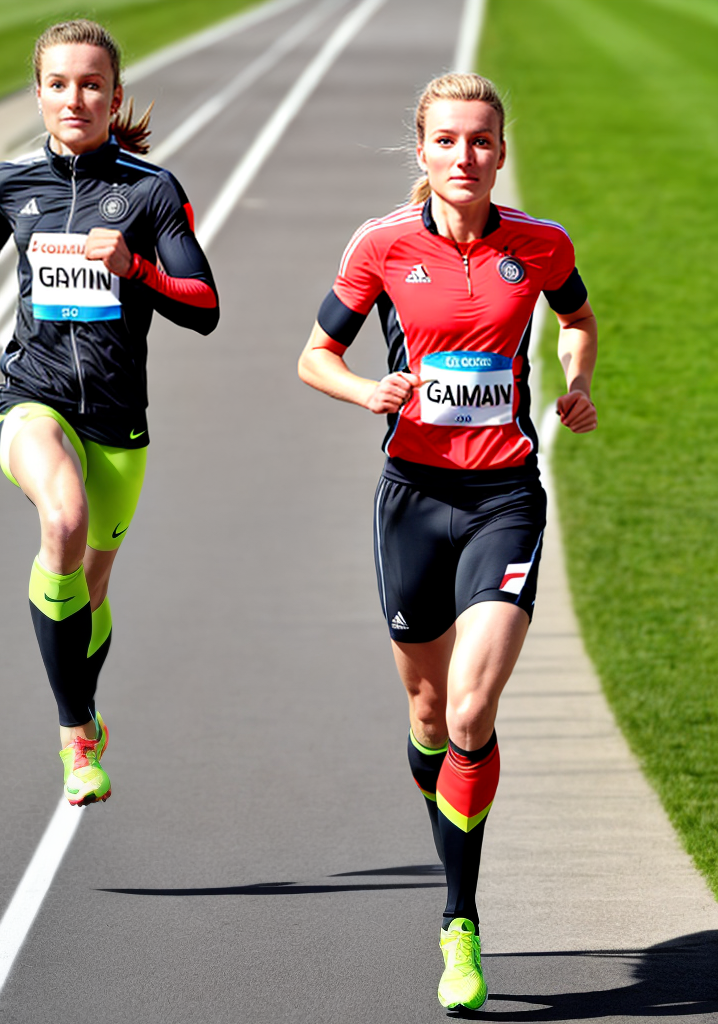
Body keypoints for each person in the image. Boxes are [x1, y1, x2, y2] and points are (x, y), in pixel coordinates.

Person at [297, 72, 596, 1010]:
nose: (465, 158)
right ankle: (450, 785)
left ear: (501, 152)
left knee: (472, 713)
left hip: (505, 496)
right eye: (448, 142)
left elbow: (577, 317)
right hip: (413, 501)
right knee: (430, 719)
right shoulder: (381, 245)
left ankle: (459, 920)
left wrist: (576, 380)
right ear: (421, 152)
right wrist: (367, 392)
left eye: (481, 142)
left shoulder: (539, 247)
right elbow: (315, 356)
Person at [0, 19, 219, 807]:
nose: (76, 97)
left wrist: (136, 268)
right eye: (59, 84)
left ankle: (85, 712)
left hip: (116, 420)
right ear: (39, 94)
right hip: (30, 397)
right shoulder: (10, 181)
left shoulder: (150, 190)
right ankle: (76, 738)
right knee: (61, 522)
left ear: (115, 95)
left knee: (91, 592)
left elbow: (204, 306)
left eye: (91, 83)